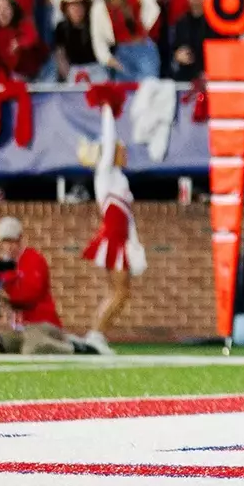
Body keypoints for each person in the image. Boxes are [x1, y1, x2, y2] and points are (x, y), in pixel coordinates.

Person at [79, 102, 143, 355]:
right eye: (121, 149)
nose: (125, 153)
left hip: (121, 239)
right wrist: (108, 108)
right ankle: (95, 335)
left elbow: (128, 217)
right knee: (120, 290)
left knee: (121, 292)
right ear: (111, 151)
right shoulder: (104, 174)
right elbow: (109, 136)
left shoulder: (119, 177)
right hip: (113, 239)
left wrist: (134, 244)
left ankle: (97, 335)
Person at [0, 217, 73, 355]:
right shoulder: (2, 266)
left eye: (13, 241)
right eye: (5, 241)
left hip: (41, 323)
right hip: (19, 327)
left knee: (32, 350)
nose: (9, 246)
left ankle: (71, 347)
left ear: (20, 239)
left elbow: (31, 294)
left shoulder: (33, 259)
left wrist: (6, 297)